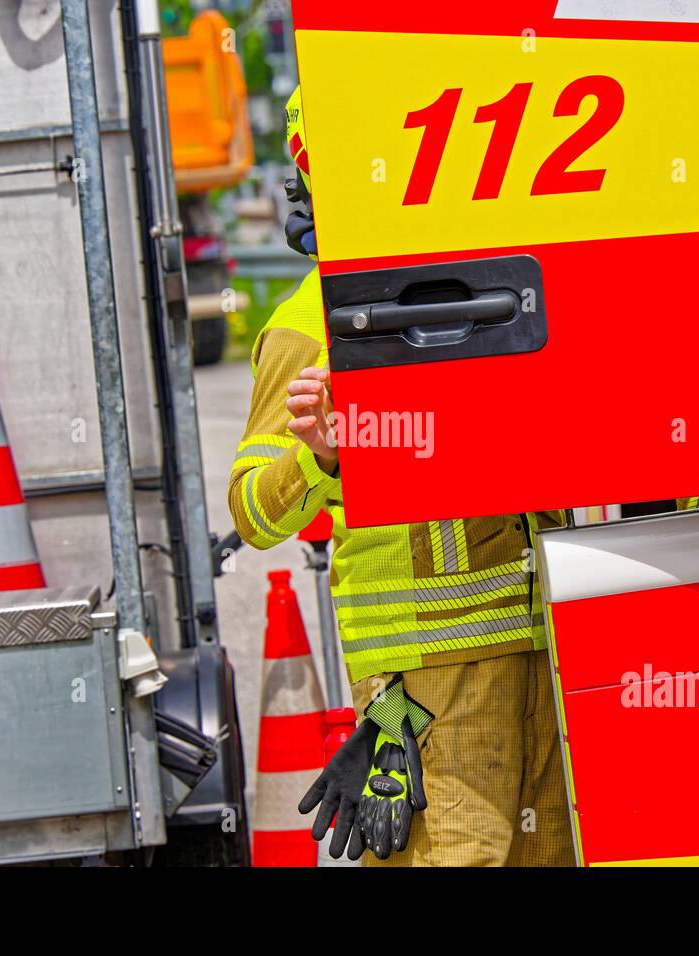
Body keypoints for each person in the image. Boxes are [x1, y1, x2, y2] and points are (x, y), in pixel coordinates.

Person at [228, 89, 574, 866]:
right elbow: (250, 510)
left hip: (543, 649)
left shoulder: (482, 291)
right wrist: (317, 457)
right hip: (428, 688)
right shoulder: (306, 324)